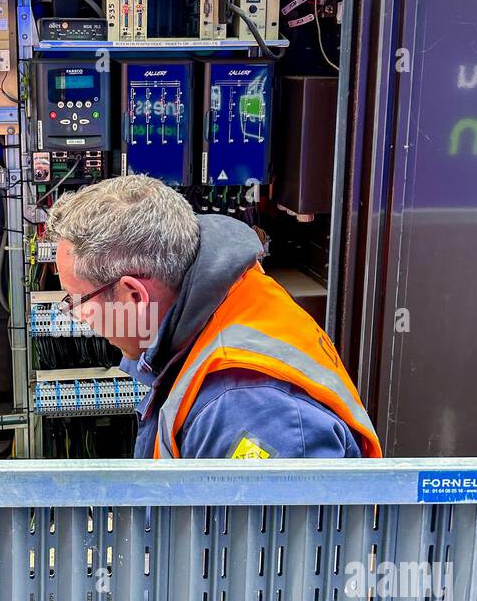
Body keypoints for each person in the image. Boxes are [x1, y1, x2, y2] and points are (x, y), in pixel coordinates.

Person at [45, 175, 381, 460]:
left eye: (79, 300)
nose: (79, 317)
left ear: (134, 296)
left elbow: (275, 536)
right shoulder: (231, 298)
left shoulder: (243, 409)